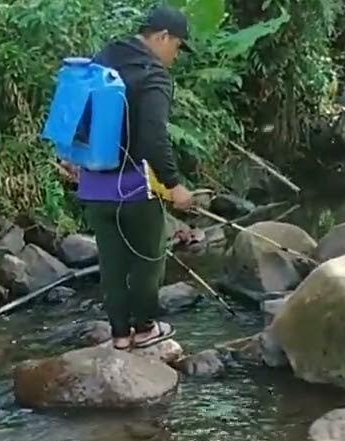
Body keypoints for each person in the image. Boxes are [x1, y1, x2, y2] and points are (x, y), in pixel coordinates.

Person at [67, 5, 197, 351]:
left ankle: (119, 336)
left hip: (93, 184)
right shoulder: (153, 74)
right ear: (162, 36)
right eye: (178, 46)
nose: (176, 55)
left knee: (111, 264)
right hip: (135, 186)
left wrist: (73, 158)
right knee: (148, 259)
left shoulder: (104, 56)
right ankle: (144, 330)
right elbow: (153, 135)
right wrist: (173, 184)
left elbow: (78, 113)